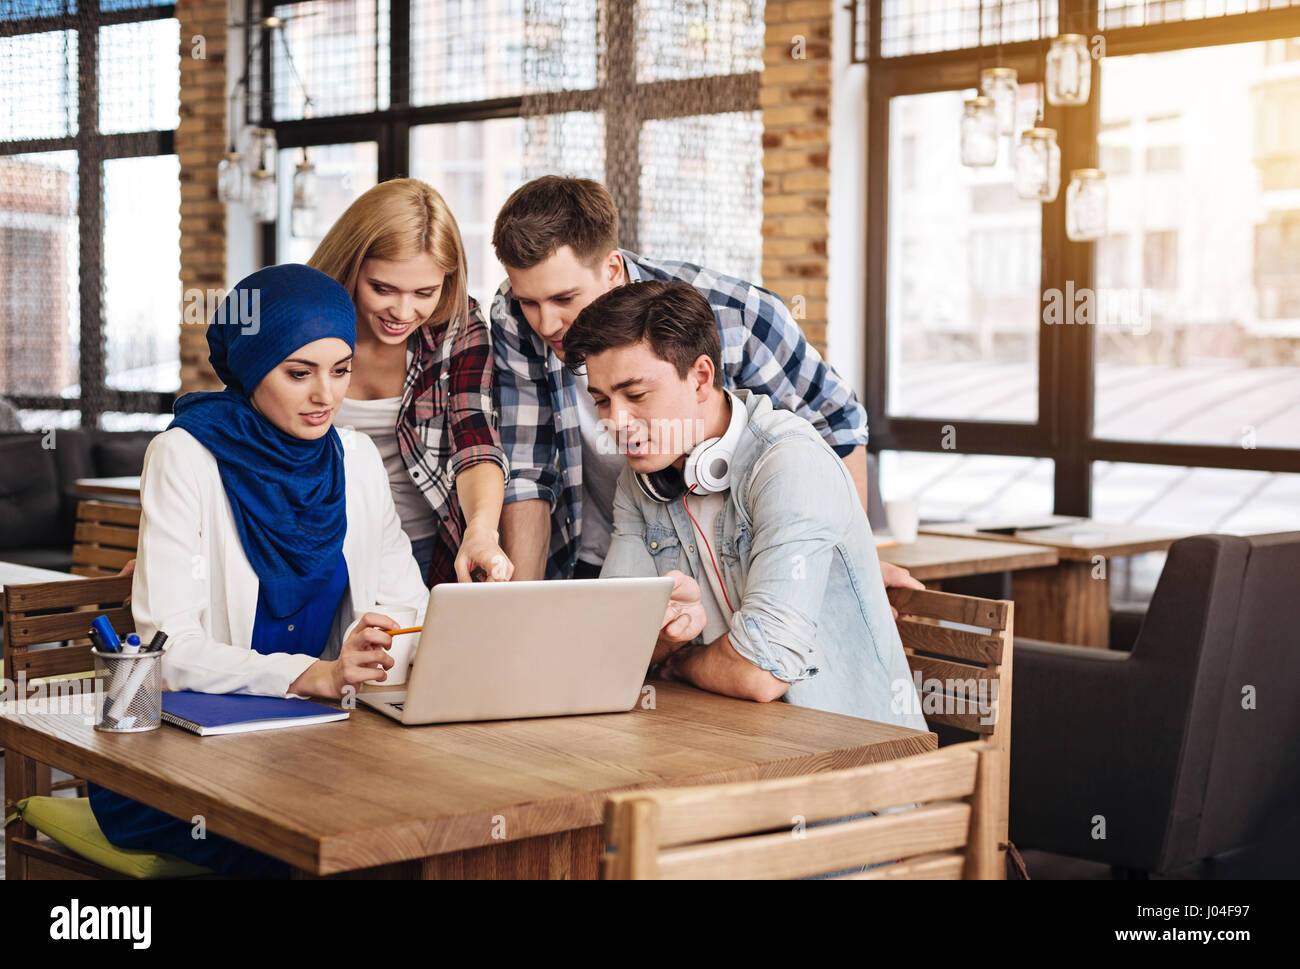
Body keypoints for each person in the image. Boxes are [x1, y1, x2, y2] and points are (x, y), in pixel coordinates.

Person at [87, 264, 431, 877]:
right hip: (185, 761)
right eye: (299, 373)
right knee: (310, 845)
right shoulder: (184, 456)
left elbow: (411, 607)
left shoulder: (354, 460)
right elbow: (170, 649)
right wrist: (312, 676)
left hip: (320, 749)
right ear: (250, 368)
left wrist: (376, 642)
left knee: (409, 832)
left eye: (340, 370)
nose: (326, 396)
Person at [489, 175, 921, 601]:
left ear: (612, 269)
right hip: (589, 550)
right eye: (531, 302)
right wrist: (519, 609)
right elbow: (528, 472)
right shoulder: (513, 315)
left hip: (728, 566)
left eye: (565, 299)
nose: (546, 324)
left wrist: (850, 564)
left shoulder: (738, 317)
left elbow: (836, 424)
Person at [564, 279, 926, 729]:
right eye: (601, 401)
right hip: (728, 748)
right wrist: (666, 641)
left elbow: (761, 672)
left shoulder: (790, 464)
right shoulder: (639, 481)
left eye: (635, 395)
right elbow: (606, 655)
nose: (615, 422)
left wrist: (677, 662)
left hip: (852, 768)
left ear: (700, 378)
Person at [310, 178, 511, 585]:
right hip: (309, 548)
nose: (402, 311)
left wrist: (481, 532)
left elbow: (475, 440)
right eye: (382, 288)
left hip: (422, 549)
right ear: (351, 267)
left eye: (425, 292)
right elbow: (245, 429)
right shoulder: (300, 320)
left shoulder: (459, 329)